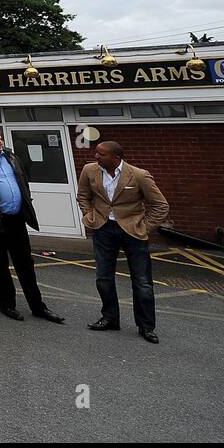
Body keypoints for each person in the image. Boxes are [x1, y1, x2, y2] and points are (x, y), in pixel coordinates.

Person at [0, 124, 65, 324]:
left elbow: (22, 180)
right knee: (0, 264)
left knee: (25, 263)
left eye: (1, 139)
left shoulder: (10, 157)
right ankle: (7, 305)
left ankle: (38, 306)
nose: (1, 143)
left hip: (16, 218)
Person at [76, 140, 170, 344]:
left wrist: (144, 226)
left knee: (142, 281)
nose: (96, 157)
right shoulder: (90, 170)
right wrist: (89, 216)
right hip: (103, 229)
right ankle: (110, 318)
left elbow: (160, 205)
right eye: (96, 153)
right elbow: (83, 195)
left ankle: (146, 326)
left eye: (101, 154)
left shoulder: (138, 175)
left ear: (116, 158)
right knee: (103, 277)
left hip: (132, 231)